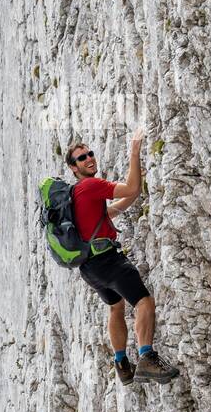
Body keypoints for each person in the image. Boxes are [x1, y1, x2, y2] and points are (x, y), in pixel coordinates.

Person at [67, 129, 179, 385]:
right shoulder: (90, 185)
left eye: (90, 154)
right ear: (74, 168)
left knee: (116, 306)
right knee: (144, 302)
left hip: (89, 269)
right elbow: (132, 187)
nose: (89, 159)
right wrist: (135, 151)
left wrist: (131, 195)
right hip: (107, 260)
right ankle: (147, 357)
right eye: (82, 158)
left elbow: (112, 210)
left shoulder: (75, 195)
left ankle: (121, 364)